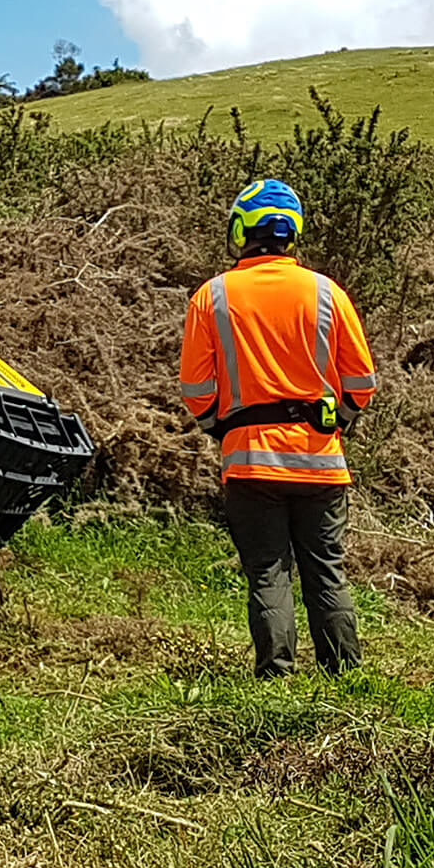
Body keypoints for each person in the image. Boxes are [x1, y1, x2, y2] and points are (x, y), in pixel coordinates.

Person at [178, 179, 377, 678]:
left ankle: (276, 679)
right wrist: (335, 424)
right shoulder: (328, 293)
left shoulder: (212, 296)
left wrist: (221, 429)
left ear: (241, 230)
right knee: (327, 573)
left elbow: (196, 390)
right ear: (294, 232)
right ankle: (346, 678)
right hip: (322, 462)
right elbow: (362, 382)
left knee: (269, 574)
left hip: (249, 462)